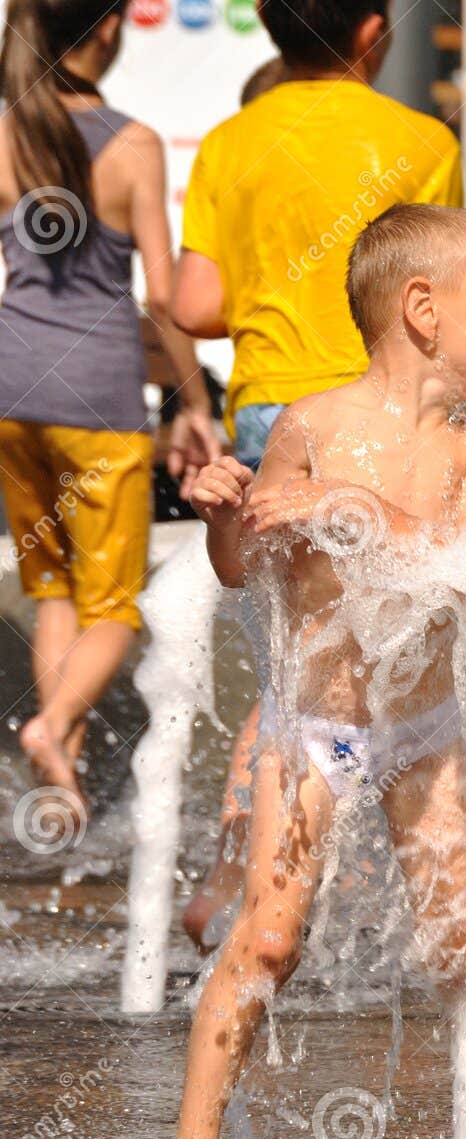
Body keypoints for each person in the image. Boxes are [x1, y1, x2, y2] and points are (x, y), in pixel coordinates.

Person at [150, 204, 466, 1139]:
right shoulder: (311, 425)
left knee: (464, 946)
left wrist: (376, 515)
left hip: (424, 734)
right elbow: (248, 562)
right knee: (267, 939)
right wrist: (219, 519)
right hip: (315, 731)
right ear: (425, 311)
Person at [175, 0, 464, 949]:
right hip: (370, 416)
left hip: (265, 410)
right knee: (351, 656)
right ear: (376, 30)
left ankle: (259, 873)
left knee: (301, 652)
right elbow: (441, 297)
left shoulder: (230, 140)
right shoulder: (419, 137)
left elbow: (193, 300)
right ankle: (259, 881)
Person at [0, 0, 219, 821]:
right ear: (105, 31)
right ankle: (52, 726)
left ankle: (61, 787)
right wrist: (192, 404)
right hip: (96, 399)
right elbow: (163, 299)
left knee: (55, 592)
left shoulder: (8, 131)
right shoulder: (132, 145)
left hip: (11, 393)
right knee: (115, 606)